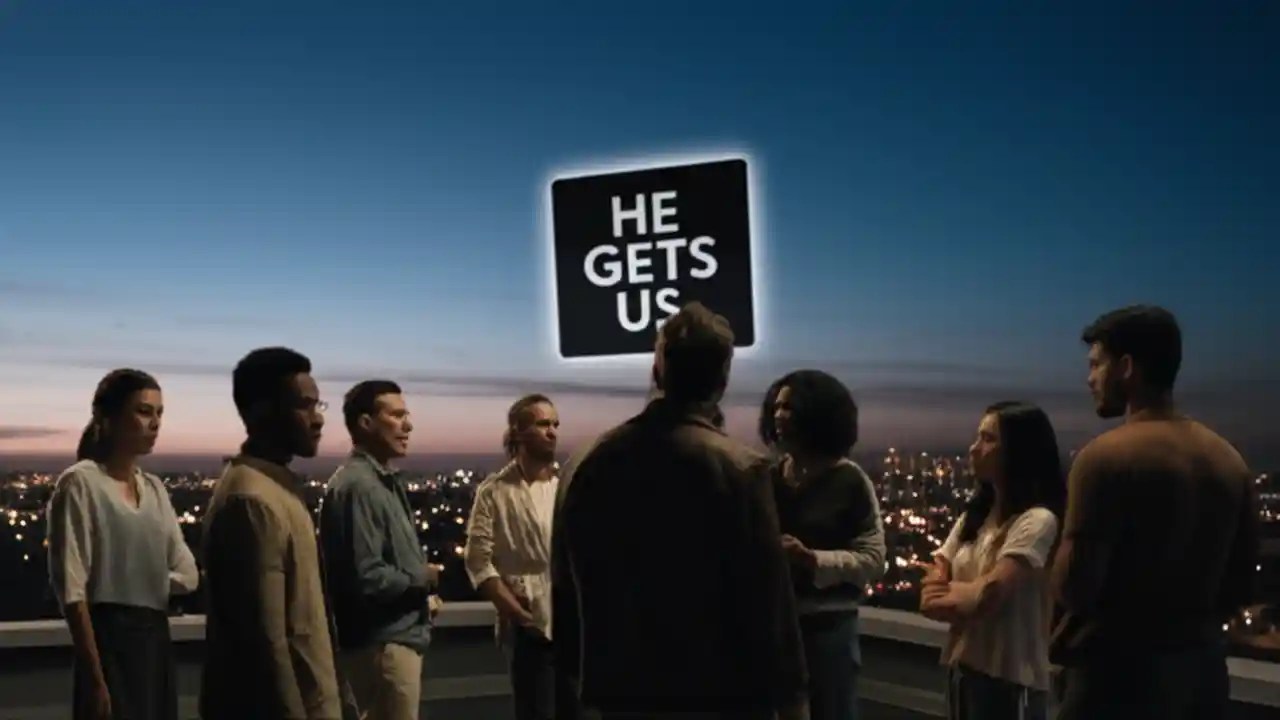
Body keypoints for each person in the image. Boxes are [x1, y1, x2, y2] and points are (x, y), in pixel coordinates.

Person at [552, 302, 809, 720]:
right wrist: (794, 702)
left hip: (621, 695)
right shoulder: (741, 469)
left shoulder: (588, 462)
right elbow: (769, 607)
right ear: (723, 377)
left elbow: (565, 588)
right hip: (722, 695)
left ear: (658, 371)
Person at [1050, 305, 1261, 720]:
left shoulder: (1104, 458)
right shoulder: (1229, 460)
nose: (1089, 379)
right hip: (1203, 678)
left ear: (1126, 367)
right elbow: (1239, 585)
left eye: (1096, 365)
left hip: (1118, 681)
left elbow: (1076, 587)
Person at [200, 347, 352, 719]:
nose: (317, 420)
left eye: (319, 406)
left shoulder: (275, 489)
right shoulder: (251, 501)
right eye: (303, 406)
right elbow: (266, 646)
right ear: (259, 411)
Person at [47, 368, 199, 720]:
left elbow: (189, 573)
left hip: (154, 639)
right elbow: (72, 590)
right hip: (108, 643)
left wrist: (134, 580)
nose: (155, 423)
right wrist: (95, 679)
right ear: (108, 418)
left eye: (160, 413)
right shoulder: (81, 484)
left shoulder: (155, 490)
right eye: (144, 411)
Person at [918, 401, 1066, 720]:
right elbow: (933, 588)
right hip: (963, 671)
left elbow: (987, 598)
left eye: (988, 439)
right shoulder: (975, 516)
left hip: (1012, 681)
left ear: (1019, 451)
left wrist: (957, 593)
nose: (974, 448)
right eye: (977, 437)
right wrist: (966, 592)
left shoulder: (1037, 520)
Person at [759, 370, 886, 720]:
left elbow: (874, 559)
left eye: (790, 408)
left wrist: (812, 560)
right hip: (776, 626)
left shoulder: (850, 481)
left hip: (828, 630)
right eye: (777, 406)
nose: (779, 416)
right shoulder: (769, 478)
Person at [320, 380, 440, 720]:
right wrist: (423, 579)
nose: (408, 424)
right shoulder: (360, 486)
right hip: (383, 648)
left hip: (390, 643)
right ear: (366, 423)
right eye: (397, 415)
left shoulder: (378, 483)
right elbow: (369, 577)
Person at [463, 393, 578, 720]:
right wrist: (518, 615)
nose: (553, 432)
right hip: (528, 630)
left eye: (556, 424)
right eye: (543, 424)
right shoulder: (495, 492)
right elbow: (478, 562)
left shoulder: (565, 487)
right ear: (518, 432)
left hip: (571, 625)